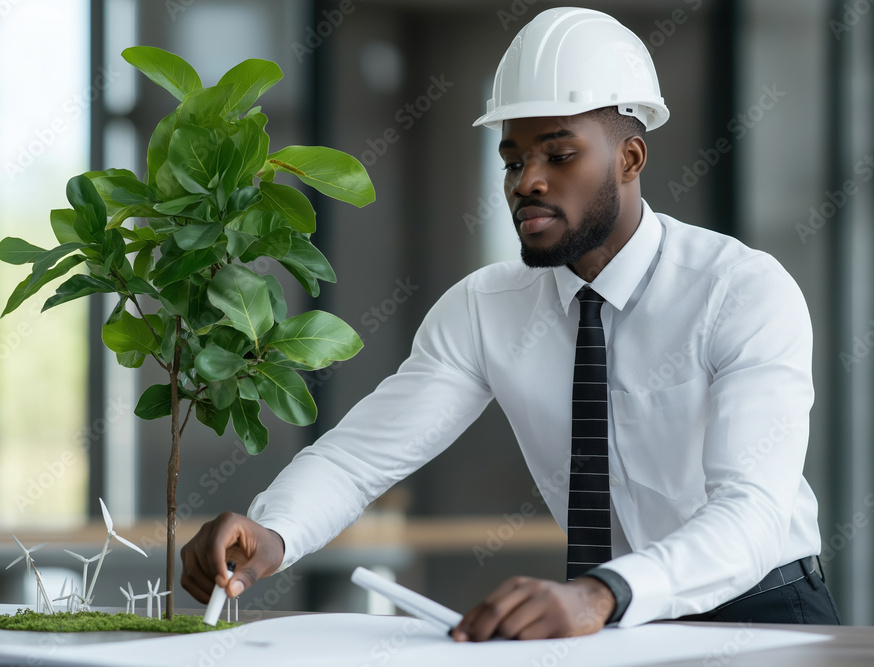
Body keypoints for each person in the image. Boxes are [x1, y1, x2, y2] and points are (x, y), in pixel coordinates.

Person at [181, 6, 840, 640]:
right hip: (607, 618)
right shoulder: (484, 308)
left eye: (559, 155)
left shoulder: (739, 291)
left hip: (759, 610)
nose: (527, 182)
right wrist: (274, 531)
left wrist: (600, 593)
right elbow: (358, 460)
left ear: (630, 159)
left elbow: (752, 512)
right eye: (514, 160)